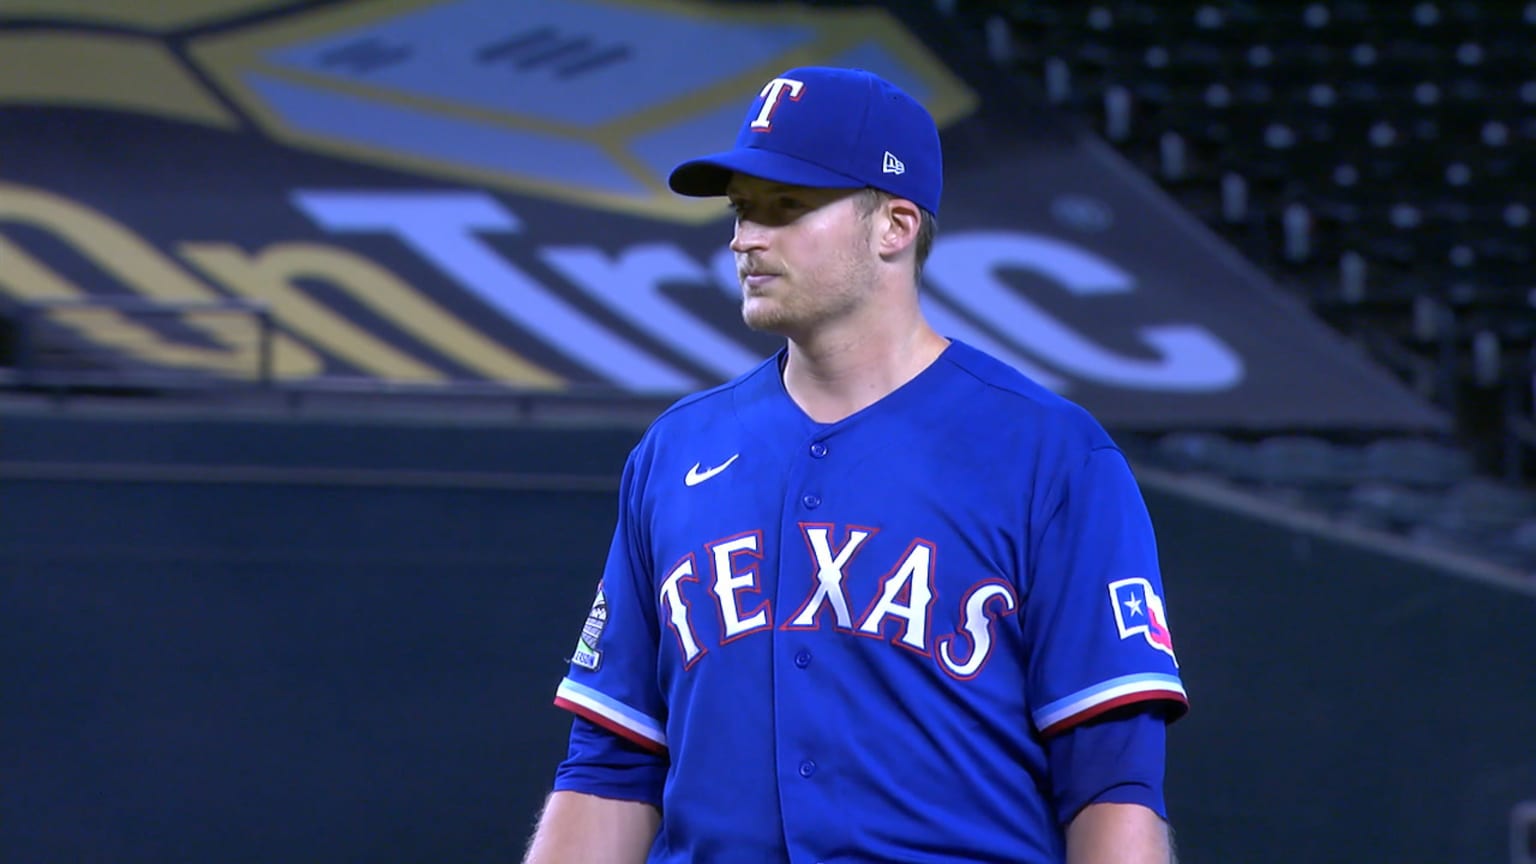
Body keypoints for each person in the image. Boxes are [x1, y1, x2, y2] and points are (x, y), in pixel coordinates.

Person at [522, 66, 1188, 864]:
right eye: (742, 209)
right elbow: (611, 761)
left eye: (787, 206)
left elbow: (1111, 785)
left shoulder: (1049, 454)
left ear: (896, 225)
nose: (745, 237)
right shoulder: (677, 450)